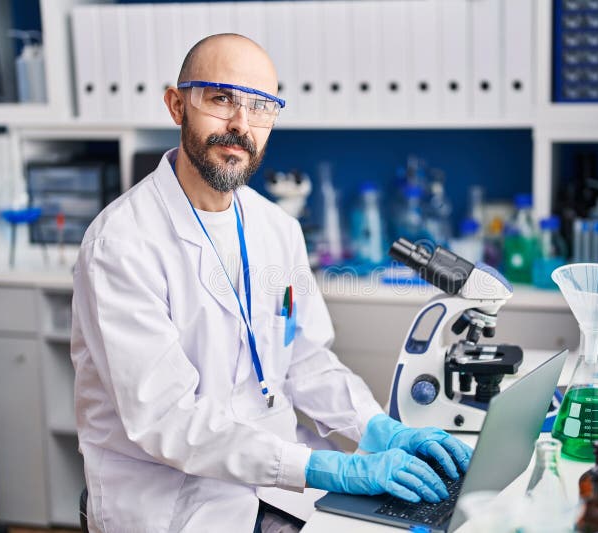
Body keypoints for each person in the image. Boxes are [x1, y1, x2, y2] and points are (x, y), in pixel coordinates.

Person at [71, 34, 472, 533]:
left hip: (278, 487)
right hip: (171, 501)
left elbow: (303, 358)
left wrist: (376, 429)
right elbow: (168, 422)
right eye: (221, 99)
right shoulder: (121, 244)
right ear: (177, 106)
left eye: (261, 107)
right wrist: (331, 467)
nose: (241, 124)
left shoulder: (275, 228)